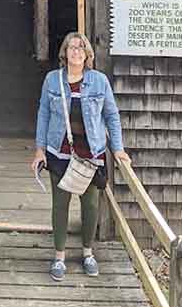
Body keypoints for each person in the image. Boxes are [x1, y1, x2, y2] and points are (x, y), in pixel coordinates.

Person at [31, 32, 130, 281]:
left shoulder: (99, 82)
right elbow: (43, 113)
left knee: (91, 206)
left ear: (87, 54)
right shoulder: (52, 80)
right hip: (59, 153)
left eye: (80, 48)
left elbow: (111, 116)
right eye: (71, 47)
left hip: (91, 156)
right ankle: (59, 257)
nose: (76, 51)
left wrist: (117, 149)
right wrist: (40, 148)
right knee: (60, 206)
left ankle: (87, 253)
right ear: (64, 53)